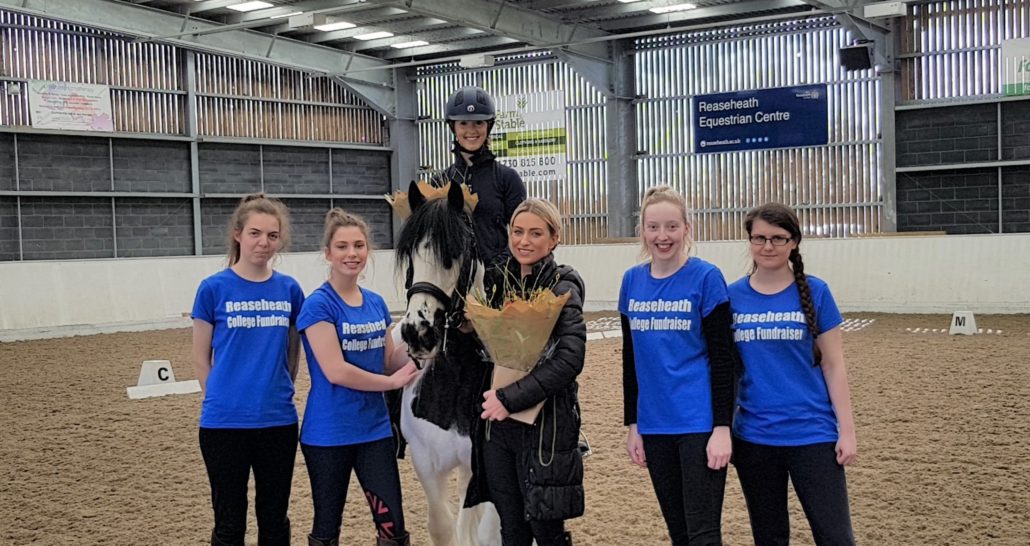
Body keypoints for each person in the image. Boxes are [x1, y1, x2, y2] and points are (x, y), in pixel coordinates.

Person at [728, 203, 857, 546]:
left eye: (777, 238)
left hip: (813, 436)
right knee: (769, 537)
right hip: (754, 438)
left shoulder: (817, 292)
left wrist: (846, 431)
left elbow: (833, 364)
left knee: (835, 536)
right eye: (759, 238)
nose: (767, 246)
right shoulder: (731, 297)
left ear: (794, 242)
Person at [618, 186, 737, 545]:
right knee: (678, 530)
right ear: (643, 231)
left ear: (687, 227)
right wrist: (633, 424)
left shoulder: (706, 278)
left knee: (702, 532)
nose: (662, 236)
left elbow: (724, 359)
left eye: (671, 226)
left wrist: (722, 427)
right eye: (653, 227)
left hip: (698, 423)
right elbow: (631, 360)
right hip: (654, 424)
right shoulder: (631, 281)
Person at [297, 208, 419, 546]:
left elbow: (386, 363)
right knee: (327, 526)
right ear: (328, 254)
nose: (352, 254)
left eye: (359, 245)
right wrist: (392, 385)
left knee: (392, 527)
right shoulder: (318, 306)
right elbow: (336, 371)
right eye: (342, 247)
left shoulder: (376, 303)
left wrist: (422, 345)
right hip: (328, 435)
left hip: (374, 432)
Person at [191, 193, 305, 546]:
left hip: (277, 422)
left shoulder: (289, 289)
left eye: (272, 236)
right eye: (256, 233)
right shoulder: (213, 289)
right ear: (238, 234)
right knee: (229, 524)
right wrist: (222, 399)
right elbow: (200, 357)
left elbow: (293, 352)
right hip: (224, 425)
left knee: (273, 521)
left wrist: (277, 389)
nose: (264, 242)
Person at [475, 198, 587, 546]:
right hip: (498, 428)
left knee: (545, 530)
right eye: (517, 231)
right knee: (511, 528)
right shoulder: (496, 279)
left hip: (546, 429)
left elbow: (570, 359)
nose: (524, 240)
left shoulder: (563, 284)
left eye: (535, 233)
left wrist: (509, 398)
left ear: (553, 239)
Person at [433, 85, 527, 264]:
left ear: (488, 126)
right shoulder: (440, 182)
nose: (471, 130)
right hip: (453, 281)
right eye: (463, 123)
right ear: (453, 127)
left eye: (478, 122)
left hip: (498, 279)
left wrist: (500, 267)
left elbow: (522, 232)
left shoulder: (507, 178)